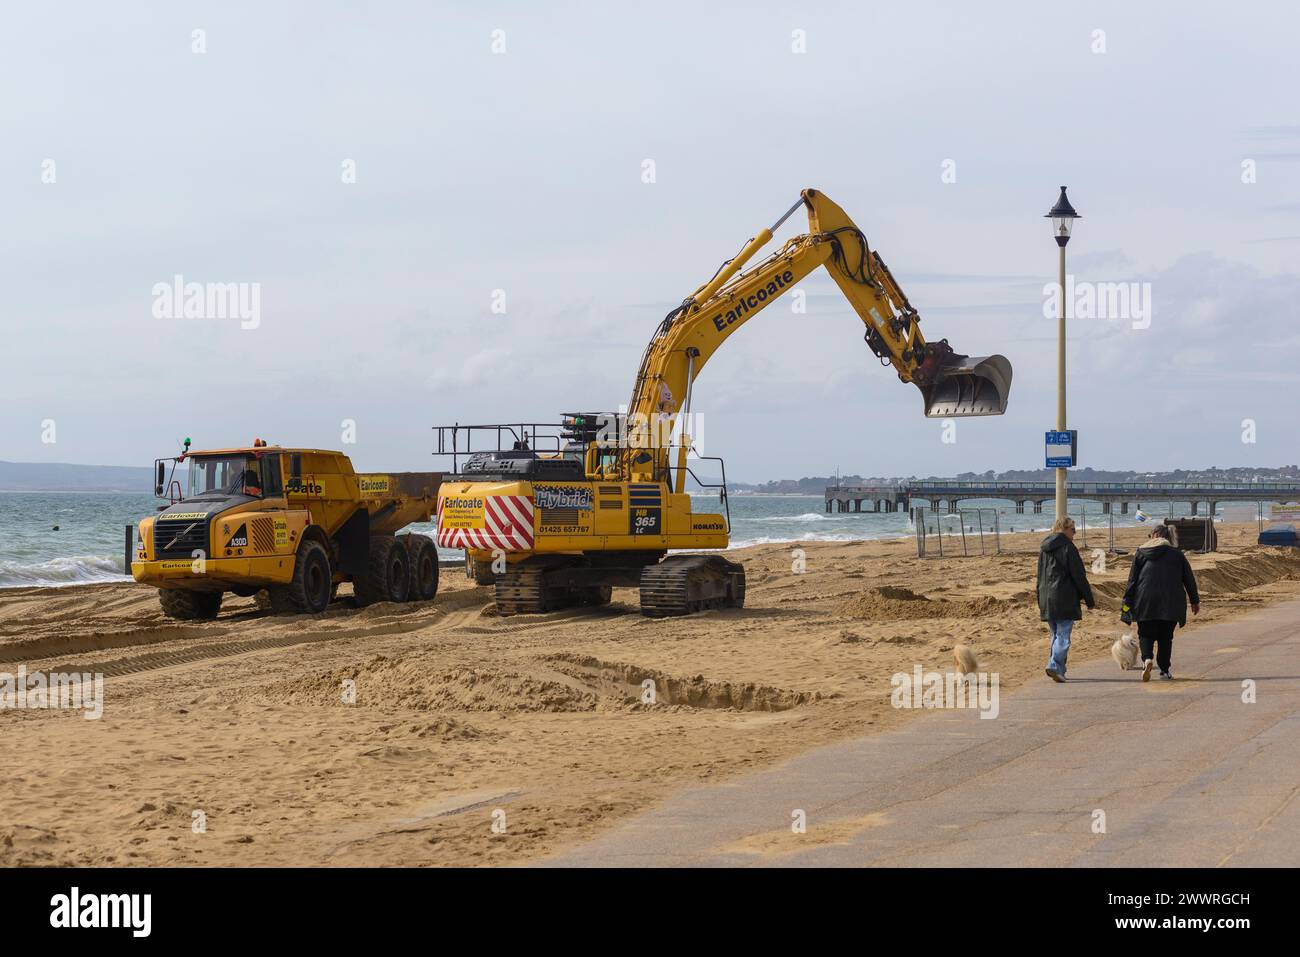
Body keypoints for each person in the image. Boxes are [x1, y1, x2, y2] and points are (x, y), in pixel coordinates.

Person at [1122, 524, 1200, 681]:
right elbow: (1188, 579)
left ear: (1155, 535)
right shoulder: (1177, 554)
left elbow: (1132, 581)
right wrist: (1194, 601)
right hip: (1170, 601)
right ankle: (1164, 670)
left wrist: (1126, 604)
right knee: (1166, 637)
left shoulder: (1140, 553)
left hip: (1145, 600)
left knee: (1145, 634)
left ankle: (1147, 660)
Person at [1037, 516, 1096, 682]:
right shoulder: (1068, 547)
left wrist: (1040, 597)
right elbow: (1079, 575)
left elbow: (1040, 576)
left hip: (1047, 597)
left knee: (1055, 635)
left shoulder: (1044, 548)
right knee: (1062, 635)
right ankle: (1054, 665)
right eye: (1072, 529)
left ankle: (1060, 671)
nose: (1075, 533)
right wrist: (1089, 599)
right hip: (1064, 597)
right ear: (1063, 529)